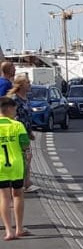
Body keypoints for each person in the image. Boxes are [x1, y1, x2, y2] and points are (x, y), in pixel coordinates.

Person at [0, 96, 30, 240]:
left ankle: (8, 230)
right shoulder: (17, 125)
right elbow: (25, 144)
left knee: (4, 197)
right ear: (10, 109)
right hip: (16, 164)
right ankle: (19, 228)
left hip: (0, 166)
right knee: (17, 194)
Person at [6, 76, 35, 193]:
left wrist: (30, 131)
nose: (29, 84)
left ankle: (26, 182)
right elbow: (11, 116)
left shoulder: (26, 98)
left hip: (25, 131)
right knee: (24, 157)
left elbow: (27, 116)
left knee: (28, 157)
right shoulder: (14, 99)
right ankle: (21, 183)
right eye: (27, 83)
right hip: (17, 132)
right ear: (21, 85)